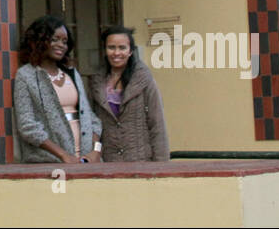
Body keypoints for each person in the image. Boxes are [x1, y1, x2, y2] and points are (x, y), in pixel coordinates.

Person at [13, 15, 101, 163]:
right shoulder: (26, 75)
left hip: (86, 159)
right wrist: (63, 155)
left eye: (65, 42)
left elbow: (91, 118)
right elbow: (27, 126)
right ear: (39, 41)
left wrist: (96, 151)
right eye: (55, 39)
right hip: (50, 161)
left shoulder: (72, 73)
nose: (61, 45)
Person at [85, 25, 169, 162]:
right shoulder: (96, 83)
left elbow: (157, 124)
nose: (116, 53)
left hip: (141, 160)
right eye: (111, 47)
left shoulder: (144, 80)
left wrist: (162, 165)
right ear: (105, 50)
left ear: (130, 51)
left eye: (122, 48)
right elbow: (92, 125)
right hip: (108, 161)